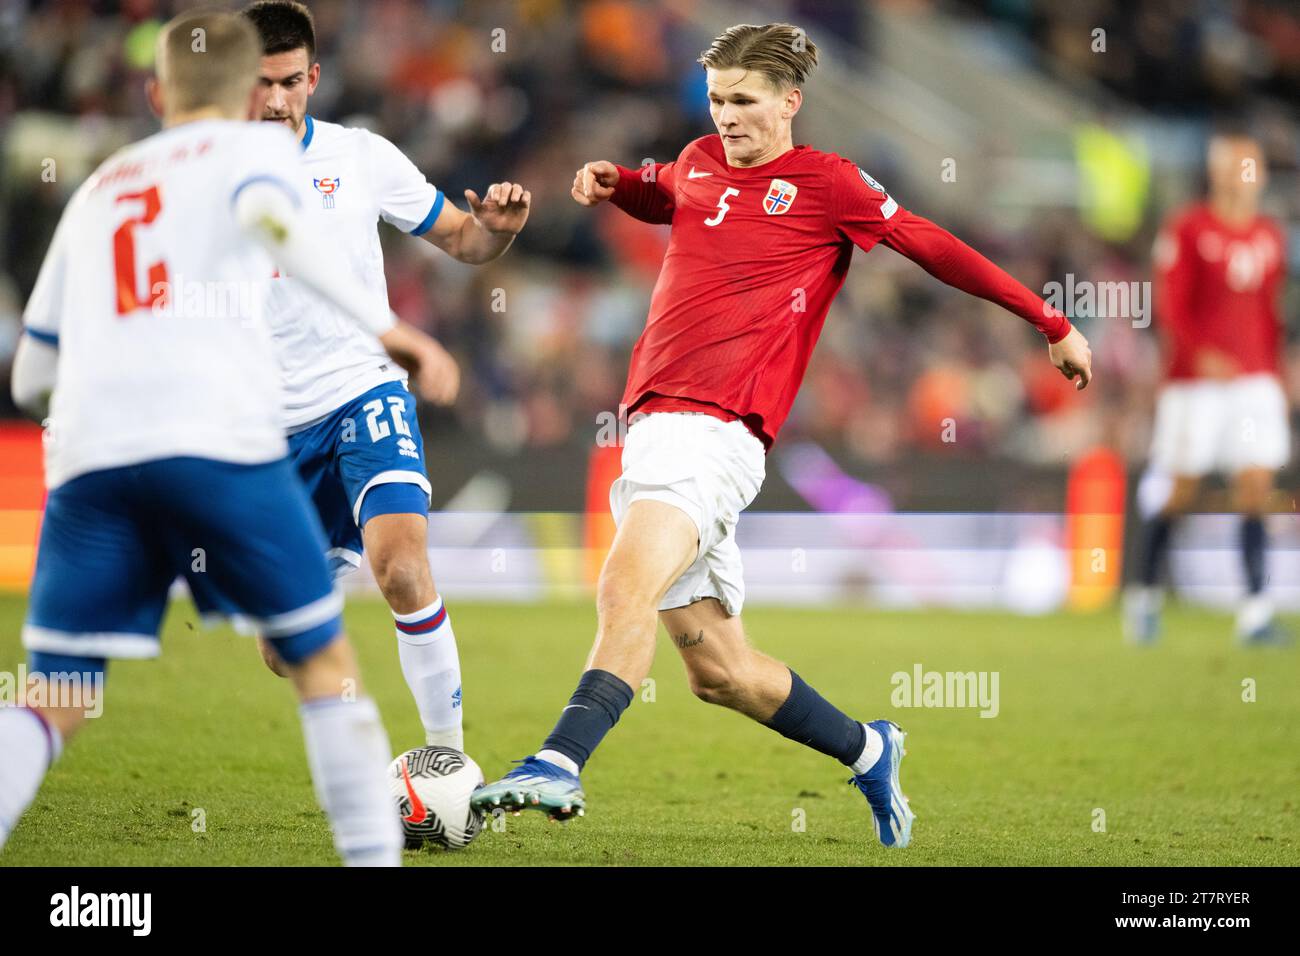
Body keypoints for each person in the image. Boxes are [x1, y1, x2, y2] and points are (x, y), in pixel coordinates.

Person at [471, 22, 1092, 849]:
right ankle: (870, 749)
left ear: (790, 102)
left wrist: (1051, 321)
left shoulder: (829, 184)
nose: (727, 116)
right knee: (720, 674)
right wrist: (619, 183)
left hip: (714, 433)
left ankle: (557, 761)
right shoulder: (700, 159)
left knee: (623, 588)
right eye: (716, 99)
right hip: (657, 428)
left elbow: (935, 247)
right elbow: (670, 193)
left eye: (744, 101)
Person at [0, 10, 429, 866]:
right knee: (321, 665)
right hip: (214, 443)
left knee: (55, 696)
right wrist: (391, 330)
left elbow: (30, 376)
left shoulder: (101, 185)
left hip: (90, 460)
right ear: (245, 94)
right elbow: (282, 230)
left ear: (156, 94)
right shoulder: (254, 158)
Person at [241, 2, 532, 750]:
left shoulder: (360, 156)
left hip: (363, 388)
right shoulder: (208, 179)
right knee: (281, 651)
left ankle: (449, 760)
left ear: (312, 78)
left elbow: (462, 240)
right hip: (268, 424)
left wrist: (494, 233)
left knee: (401, 566)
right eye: (261, 83)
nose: (275, 100)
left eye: (289, 82)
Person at [1126, 132, 1290, 646]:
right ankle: (1144, 597)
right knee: (1181, 489)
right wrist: (1199, 352)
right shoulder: (1189, 227)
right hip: (1195, 385)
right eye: (1236, 165)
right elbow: (1170, 305)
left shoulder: (1269, 235)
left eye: (1252, 166)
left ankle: (1255, 613)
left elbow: (1269, 311)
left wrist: (1278, 371)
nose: (1245, 176)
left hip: (1254, 380)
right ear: (1217, 173)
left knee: (1257, 486)